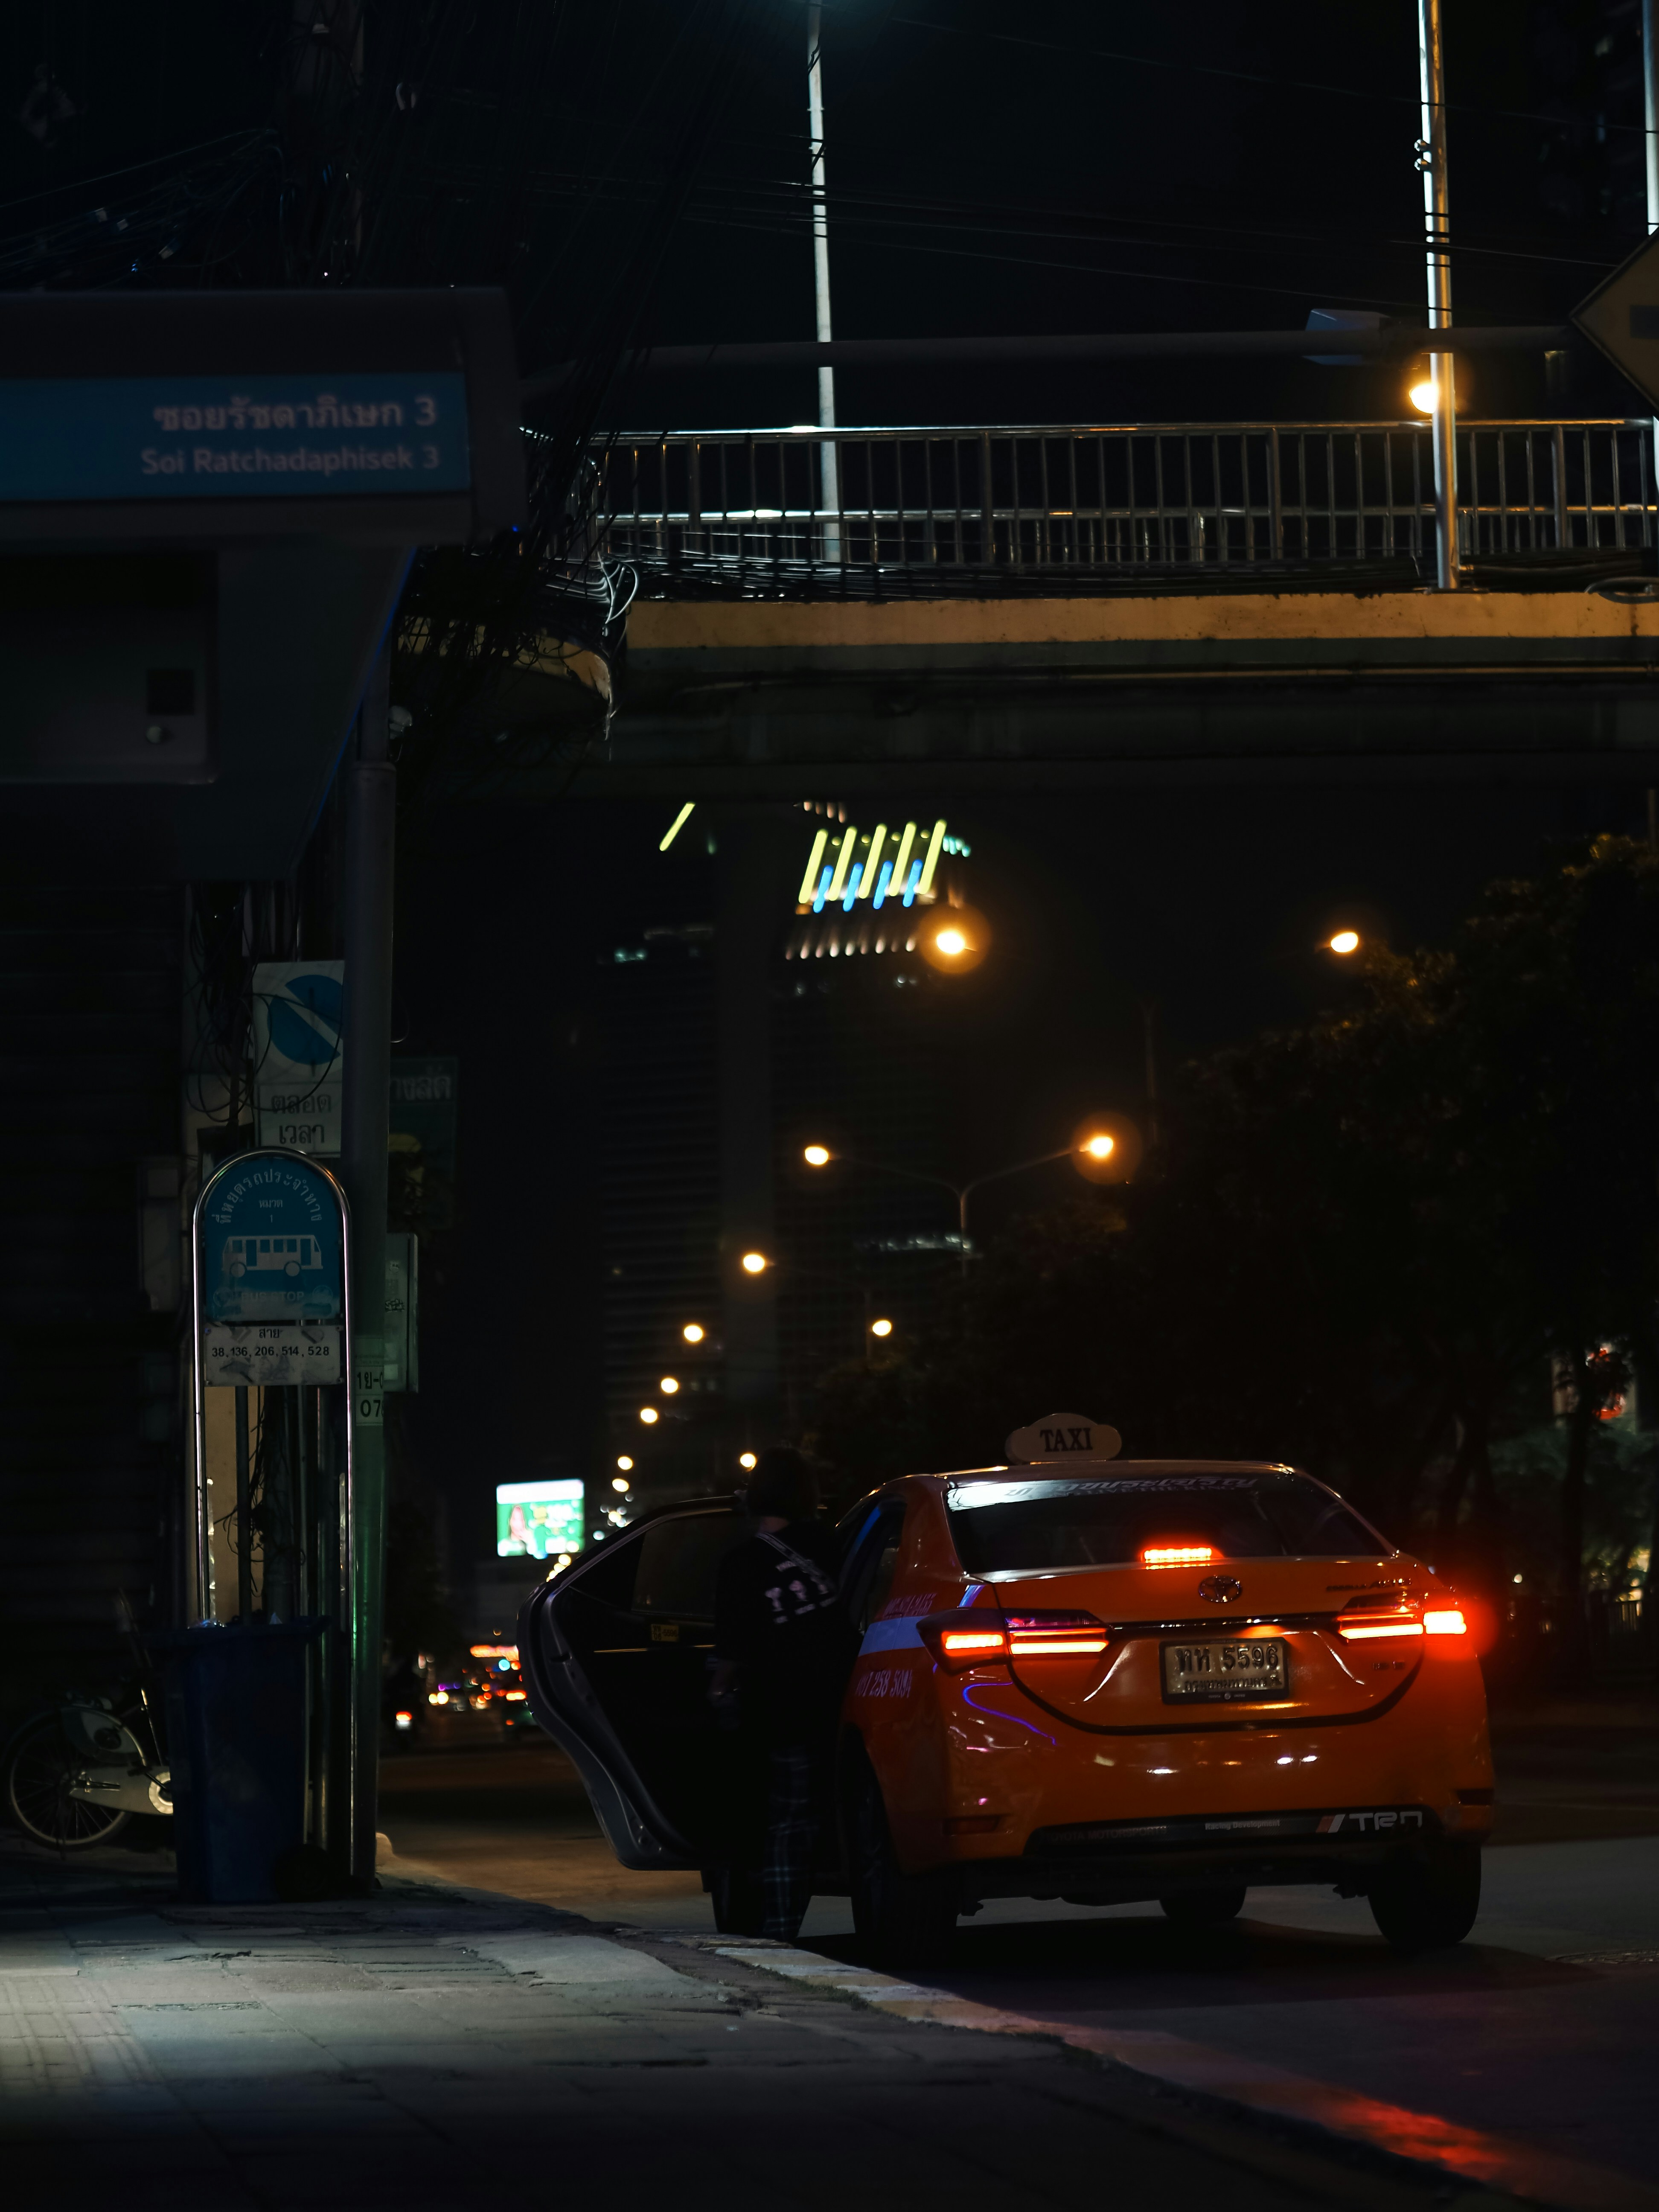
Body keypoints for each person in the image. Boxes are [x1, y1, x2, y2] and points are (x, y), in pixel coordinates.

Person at [710, 1447, 850, 1940]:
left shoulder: (740, 1565)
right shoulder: (834, 1547)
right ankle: (804, 1918)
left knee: (780, 1826)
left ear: (754, 1496)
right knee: (835, 1818)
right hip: (844, 1705)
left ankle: (777, 1931)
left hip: (777, 1711)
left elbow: (730, 1656)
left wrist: (718, 1695)